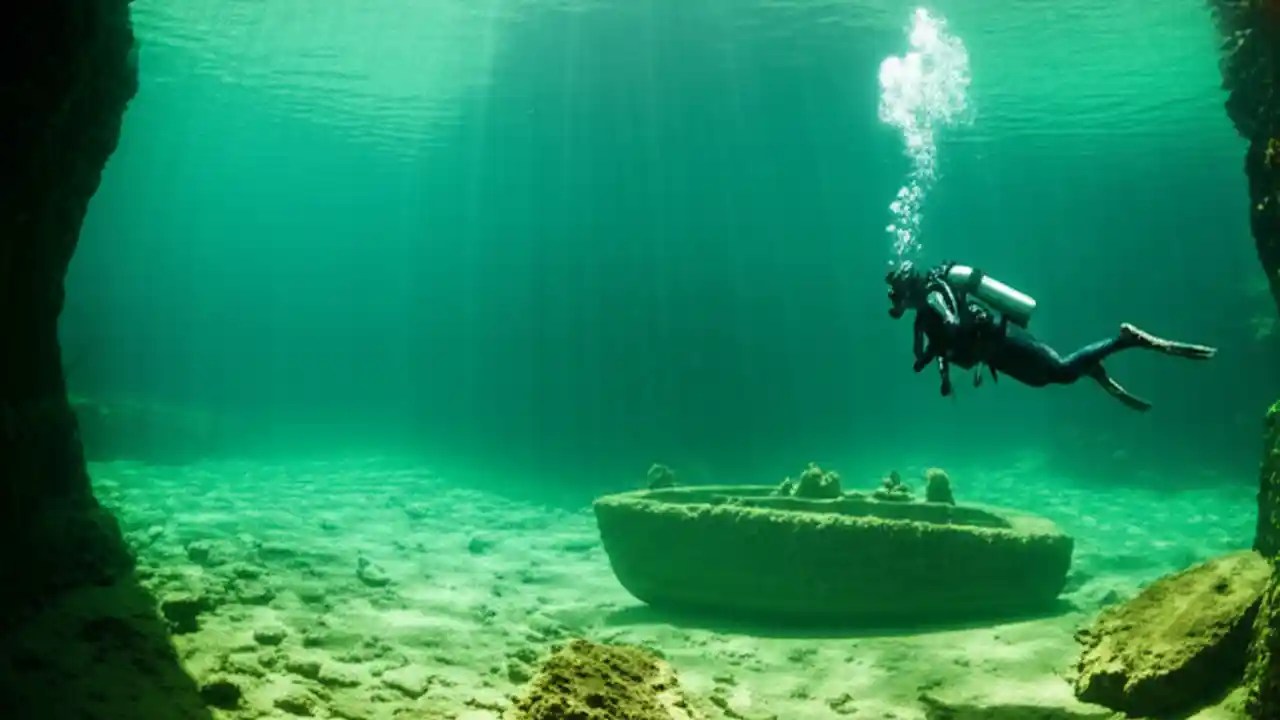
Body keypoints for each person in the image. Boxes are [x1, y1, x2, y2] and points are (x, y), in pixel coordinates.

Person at [885, 260, 1217, 411]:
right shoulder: (923, 316)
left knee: (1058, 371)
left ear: (909, 288)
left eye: (898, 295)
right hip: (995, 353)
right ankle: (1091, 366)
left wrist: (932, 351)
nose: (897, 303)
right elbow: (943, 344)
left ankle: (1124, 340)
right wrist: (939, 370)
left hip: (1003, 341)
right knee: (1047, 378)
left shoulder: (931, 300)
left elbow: (952, 326)